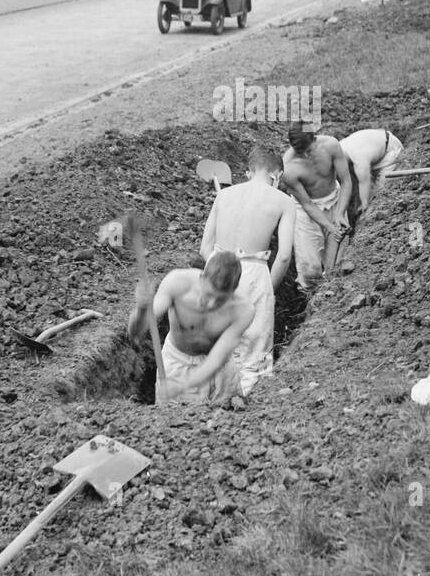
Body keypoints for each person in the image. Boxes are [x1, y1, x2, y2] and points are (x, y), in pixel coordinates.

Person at [199, 147, 295, 394]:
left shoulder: (224, 195)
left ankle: (209, 396)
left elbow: (204, 248)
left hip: (217, 266)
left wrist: (218, 271)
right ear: (277, 175)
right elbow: (284, 256)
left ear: (249, 172)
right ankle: (246, 399)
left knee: (215, 337)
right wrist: (268, 290)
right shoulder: (283, 201)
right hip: (253, 271)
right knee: (253, 345)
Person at [130, 250, 253, 405]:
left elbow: (216, 359)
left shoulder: (243, 310)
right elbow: (136, 331)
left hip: (220, 371)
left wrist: (182, 385)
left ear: (232, 293)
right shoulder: (177, 283)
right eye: (208, 295)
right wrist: (141, 309)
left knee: (227, 420)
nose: (211, 304)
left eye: (220, 300)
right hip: (177, 363)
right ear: (201, 279)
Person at [280, 121, 352, 291]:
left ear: (314, 138)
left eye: (309, 150)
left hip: (335, 201)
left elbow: (346, 181)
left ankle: (333, 297)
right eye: (301, 153)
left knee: (336, 265)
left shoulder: (331, 145)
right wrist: (329, 226)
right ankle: (312, 301)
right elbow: (307, 204)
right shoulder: (289, 168)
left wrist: (340, 214)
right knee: (310, 269)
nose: (306, 155)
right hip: (305, 212)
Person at [338, 128, 404, 239]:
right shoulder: (339, 147)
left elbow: (364, 181)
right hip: (374, 147)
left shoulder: (358, 158)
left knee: (379, 193)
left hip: (390, 150)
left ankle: (372, 224)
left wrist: (363, 204)